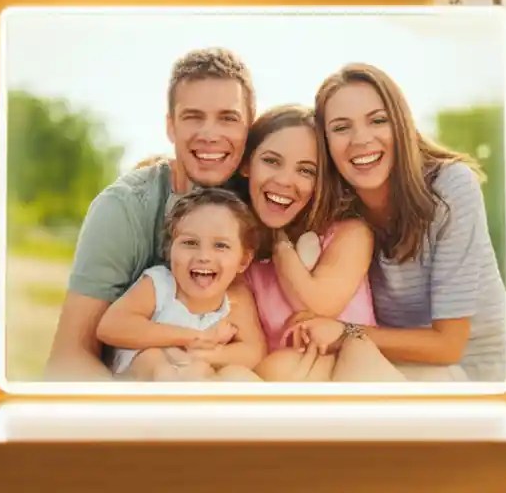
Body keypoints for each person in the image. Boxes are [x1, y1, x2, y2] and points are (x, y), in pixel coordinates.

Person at [43, 47, 265, 381]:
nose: (209, 133)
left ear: (248, 128)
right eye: (193, 116)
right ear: (171, 127)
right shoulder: (124, 208)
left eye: (228, 118)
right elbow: (68, 359)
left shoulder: (262, 201)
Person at [282, 63, 506, 382]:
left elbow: (449, 345)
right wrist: (191, 176)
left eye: (377, 120)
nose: (361, 139)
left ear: (400, 125)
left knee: (353, 361)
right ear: (325, 142)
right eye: (341, 127)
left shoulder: (451, 187)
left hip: (471, 371)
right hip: (390, 365)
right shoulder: (341, 213)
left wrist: (346, 332)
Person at [233, 104, 406, 382]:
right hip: (294, 386)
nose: (285, 181)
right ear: (245, 164)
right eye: (272, 161)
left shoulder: (350, 234)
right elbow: (253, 352)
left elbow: (319, 305)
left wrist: (279, 242)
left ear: (321, 181)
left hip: (356, 375)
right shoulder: (241, 258)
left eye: (306, 171)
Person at [96, 188, 265, 381]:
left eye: (221, 246)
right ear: (169, 249)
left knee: (237, 376)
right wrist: (193, 337)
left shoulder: (236, 298)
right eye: (190, 243)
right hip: (144, 375)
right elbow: (111, 326)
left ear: (243, 260)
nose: (203, 257)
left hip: (198, 372)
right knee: (156, 361)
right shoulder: (159, 285)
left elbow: (252, 351)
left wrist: (199, 355)